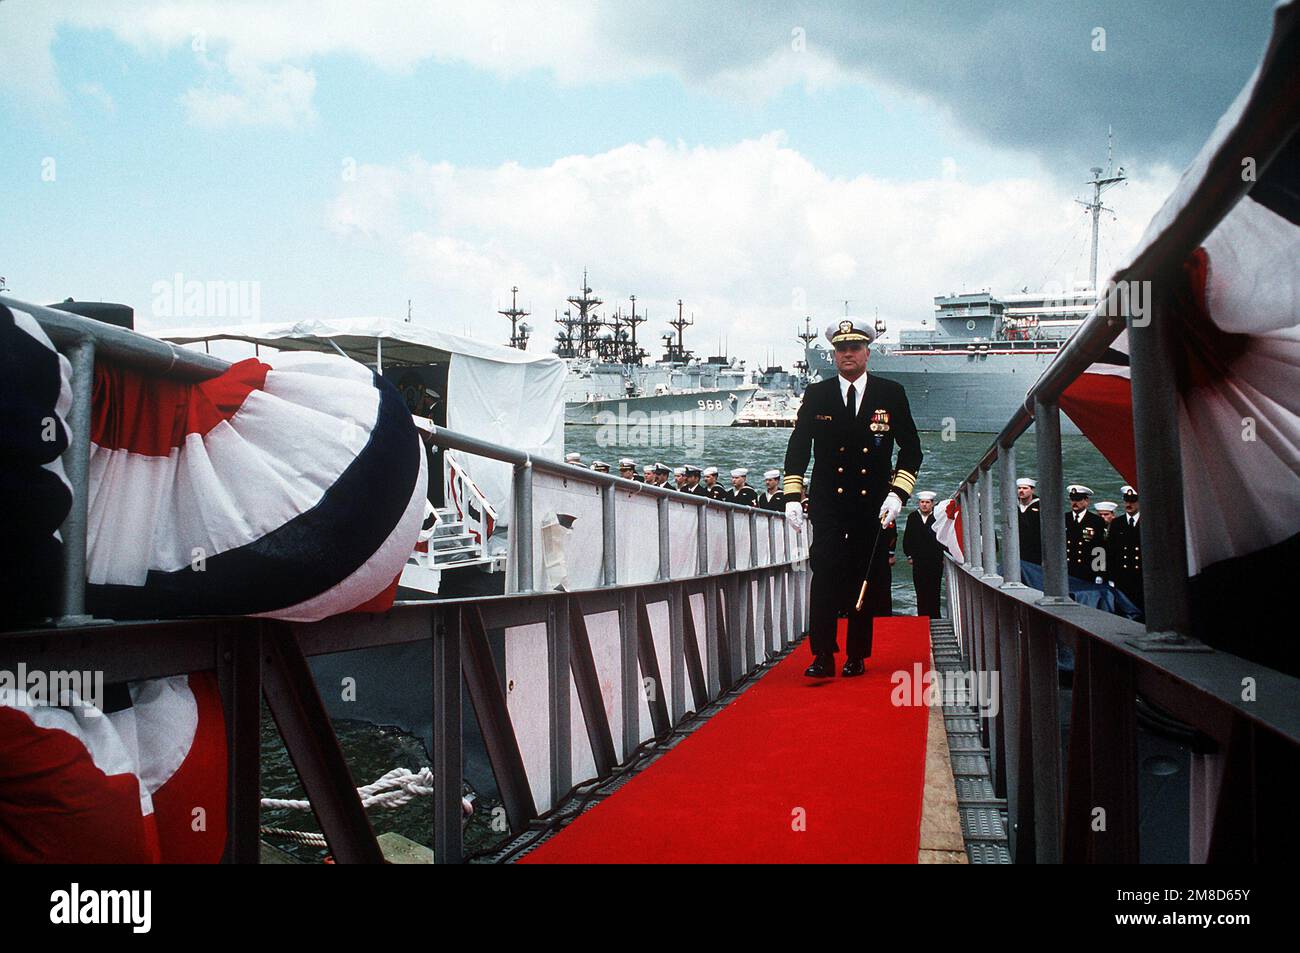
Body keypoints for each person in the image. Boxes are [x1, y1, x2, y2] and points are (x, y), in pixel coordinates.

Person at [783, 317, 922, 678]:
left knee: (866, 574)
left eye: (854, 348)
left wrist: (898, 495)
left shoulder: (890, 393)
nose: (847, 354)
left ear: (867, 353)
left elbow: (911, 449)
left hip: (872, 502)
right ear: (834, 355)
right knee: (825, 570)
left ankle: (857, 654)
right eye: (841, 349)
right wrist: (793, 495)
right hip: (829, 500)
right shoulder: (818, 395)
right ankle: (822, 654)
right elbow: (799, 446)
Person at [903, 491, 945, 619]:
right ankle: (922, 617)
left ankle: (935, 617)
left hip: (935, 559)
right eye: (922, 502)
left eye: (927, 502)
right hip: (919, 560)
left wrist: (944, 555)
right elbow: (907, 538)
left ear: (932, 504)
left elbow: (944, 537)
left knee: (934, 589)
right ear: (919, 503)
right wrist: (909, 555)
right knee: (920, 590)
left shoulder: (938, 517)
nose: (924, 505)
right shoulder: (912, 517)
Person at [1107, 485, 1143, 611]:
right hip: (1122, 576)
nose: (1129, 504)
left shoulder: (1146, 522)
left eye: (1132, 501)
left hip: (1141, 576)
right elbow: (1111, 551)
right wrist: (1110, 576)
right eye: (1126, 500)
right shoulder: (1117, 523)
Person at [1065, 484, 1107, 582]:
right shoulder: (1064, 518)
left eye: (1078, 499)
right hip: (1067, 568)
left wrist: (1099, 573)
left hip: (1086, 569)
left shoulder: (1096, 521)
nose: (1075, 503)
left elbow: (1100, 548)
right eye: (1072, 499)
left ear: (1086, 501)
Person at [1016, 477, 1042, 565]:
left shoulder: (1040, 505)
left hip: (1034, 549)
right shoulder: (1012, 504)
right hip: (1016, 547)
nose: (1021, 491)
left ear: (1032, 490)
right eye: (1019, 488)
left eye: (1025, 488)